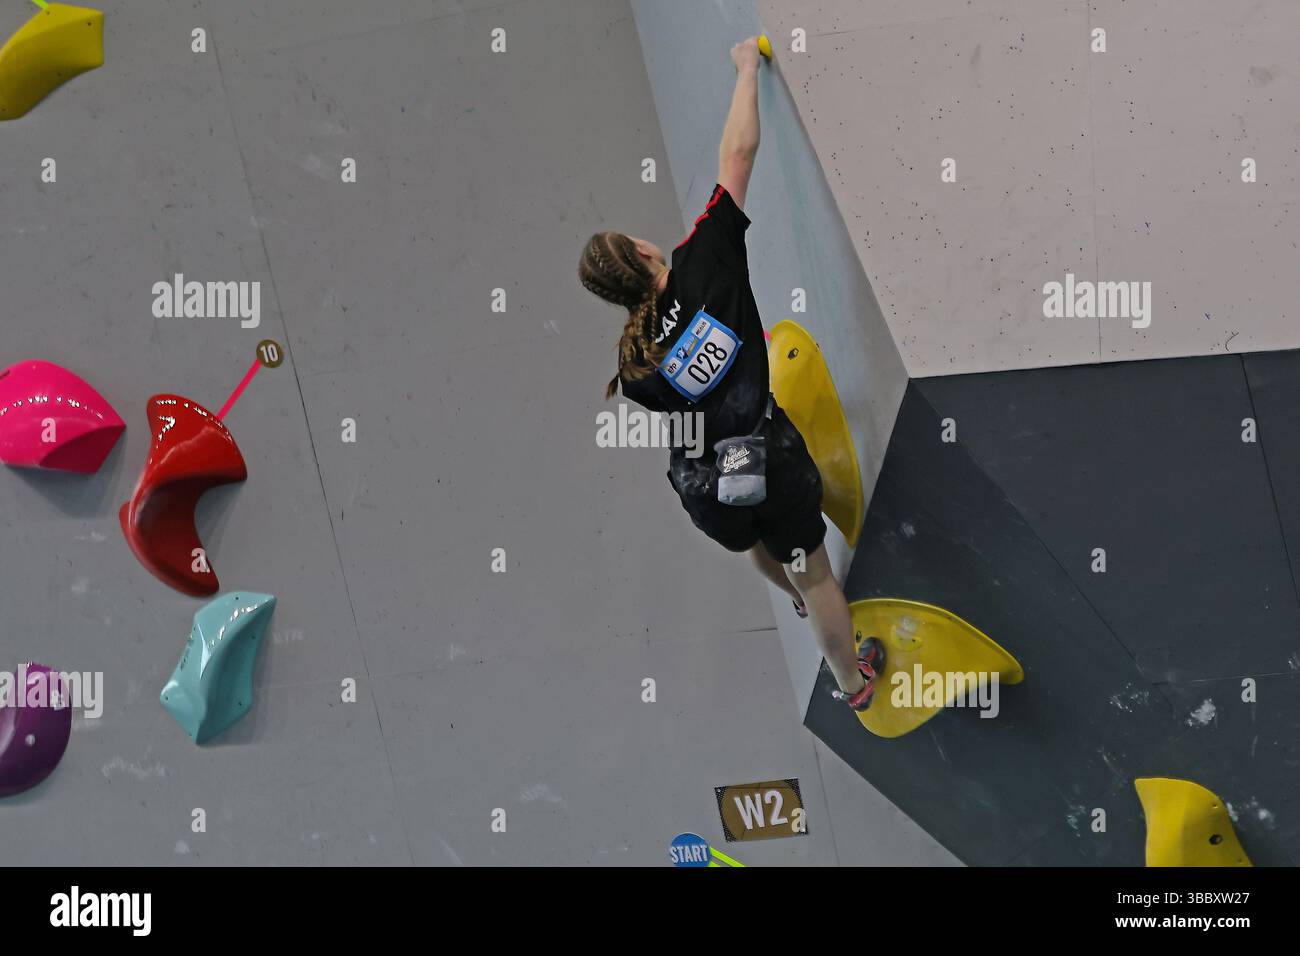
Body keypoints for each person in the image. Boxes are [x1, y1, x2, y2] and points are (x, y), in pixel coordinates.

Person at [577, 36, 883, 711]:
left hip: (712, 490)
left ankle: (801, 603)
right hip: (769, 458)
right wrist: (748, 67)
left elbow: (692, 402)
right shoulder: (705, 256)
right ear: (642, 250)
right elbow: (737, 155)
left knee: (754, 537)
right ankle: (853, 682)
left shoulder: (633, 368)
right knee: (817, 574)